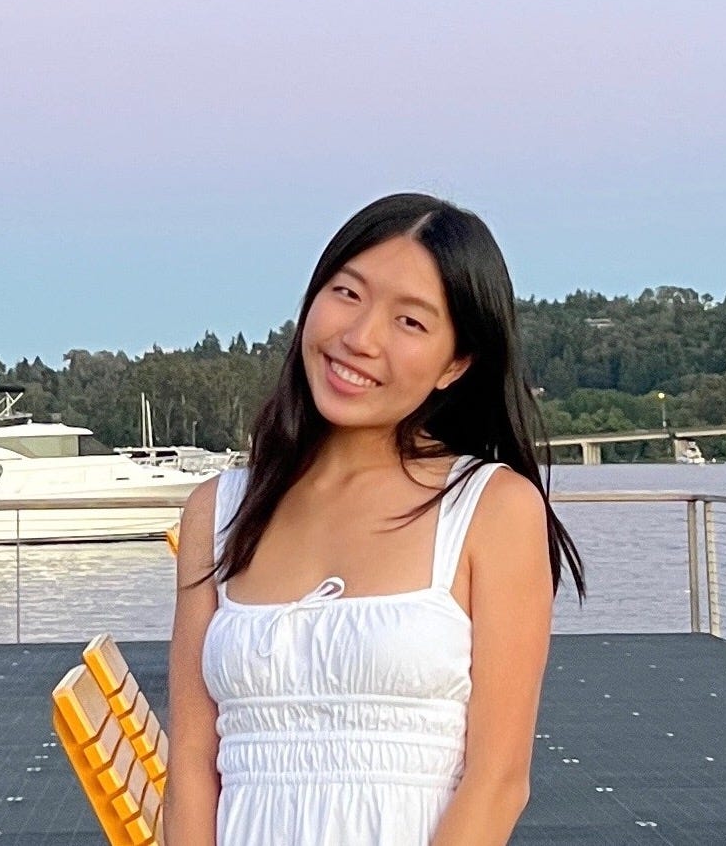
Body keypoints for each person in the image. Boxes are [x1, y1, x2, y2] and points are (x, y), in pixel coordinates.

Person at [165, 192, 584, 845]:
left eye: (410, 321)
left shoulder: (491, 508)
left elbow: (498, 780)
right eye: (347, 293)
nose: (360, 339)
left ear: (456, 363)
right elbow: (192, 767)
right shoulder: (219, 512)